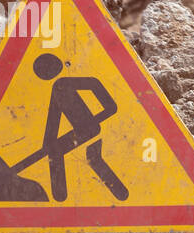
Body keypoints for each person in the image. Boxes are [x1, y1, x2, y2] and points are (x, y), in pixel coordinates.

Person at [32, 53, 129, 202]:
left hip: (89, 128)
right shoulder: (58, 87)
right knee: (65, 153)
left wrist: (104, 113)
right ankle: (60, 196)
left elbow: (103, 95)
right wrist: (48, 143)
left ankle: (61, 196)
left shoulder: (66, 83)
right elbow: (54, 118)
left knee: (91, 158)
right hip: (82, 130)